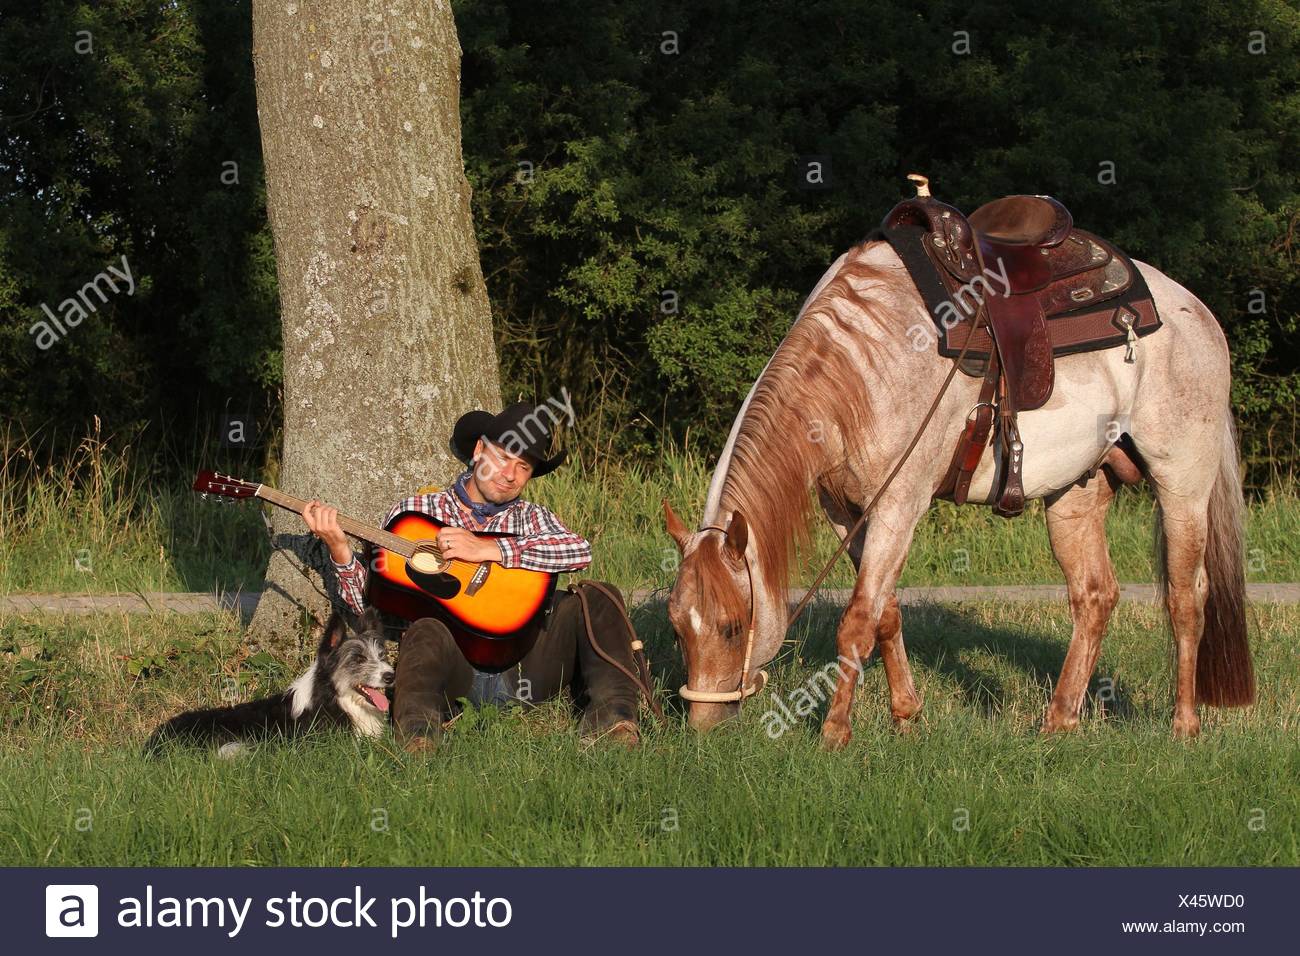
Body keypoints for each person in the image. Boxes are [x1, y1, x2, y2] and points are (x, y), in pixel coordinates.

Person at [302, 403, 645, 752]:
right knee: (423, 628)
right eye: (503, 457)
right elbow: (369, 606)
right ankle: (419, 738)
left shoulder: (531, 517)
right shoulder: (416, 514)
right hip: (452, 673)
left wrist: (490, 551)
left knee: (599, 596)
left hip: (528, 667)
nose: (510, 474)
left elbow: (579, 551)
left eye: (523, 467)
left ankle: (612, 722)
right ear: (479, 450)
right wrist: (340, 550)